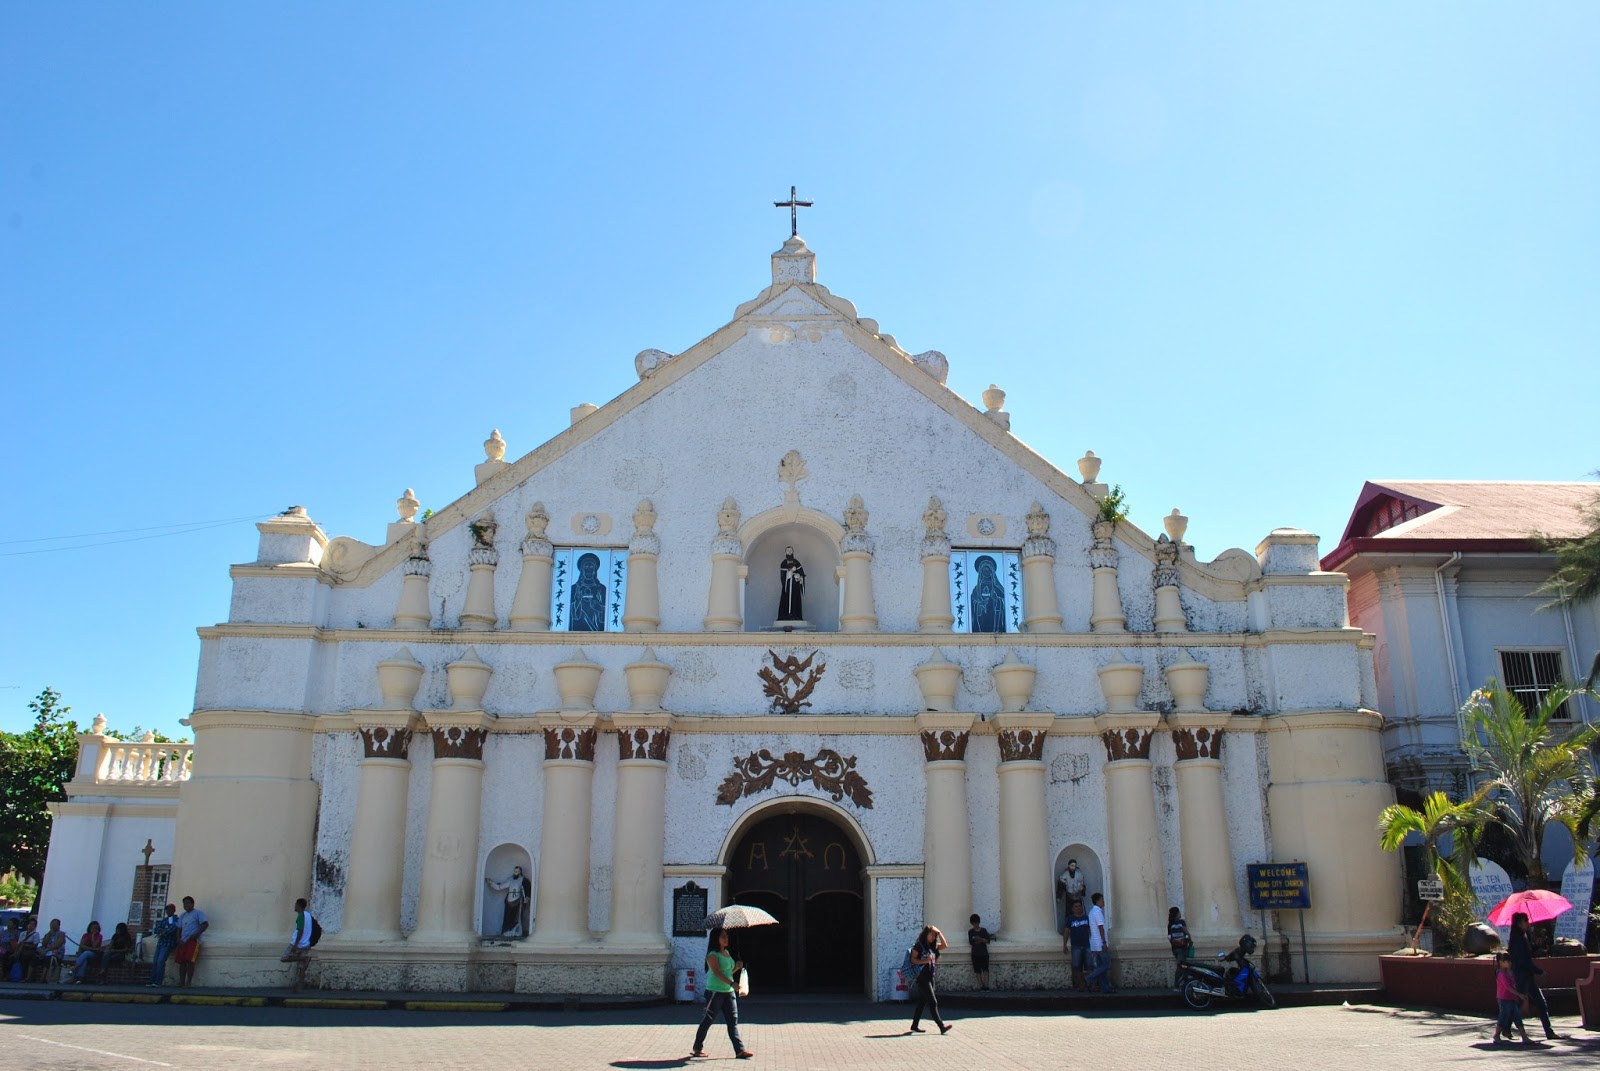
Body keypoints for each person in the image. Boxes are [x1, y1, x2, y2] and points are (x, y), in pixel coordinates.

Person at [691, 927, 752, 1059]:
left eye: (726, 936)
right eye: (723, 936)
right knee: (708, 1019)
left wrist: (737, 967)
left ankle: (740, 1050)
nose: (726, 938)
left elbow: (728, 972)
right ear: (716, 939)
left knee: (732, 1021)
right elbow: (718, 973)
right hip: (715, 992)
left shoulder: (727, 953)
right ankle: (697, 1048)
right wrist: (732, 983)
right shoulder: (712, 955)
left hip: (729, 992)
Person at [1507, 912, 1559, 1040]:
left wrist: (1536, 945)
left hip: (1527, 975)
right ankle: (1504, 1027)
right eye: (1526, 921)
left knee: (1539, 1003)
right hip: (1522, 975)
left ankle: (1549, 1031)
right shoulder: (1517, 939)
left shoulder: (1523, 936)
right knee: (1519, 1003)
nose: (1528, 923)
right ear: (1520, 923)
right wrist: (1539, 971)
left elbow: (1528, 953)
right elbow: (1524, 960)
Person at [907, 924, 952, 1035]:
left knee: (922, 1001)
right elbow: (913, 960)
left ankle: (914, 1025)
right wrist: (925, 961)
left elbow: (945, 945)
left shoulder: (933, 946)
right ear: (925, 934)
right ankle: (941, 1026)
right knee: (932, 1002)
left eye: (934, 935)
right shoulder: (919, 946)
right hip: (922, 977)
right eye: (931, 934)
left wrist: (939, 932)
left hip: (930, 976)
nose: (932, 937)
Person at [1492, 951, 1532, 1045]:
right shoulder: (1501, 974)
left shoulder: (1508, 973)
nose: (1510, 963)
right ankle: (1496, 1035)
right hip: (1504, 999)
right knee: (1503, 1016)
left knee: (1517, 1016)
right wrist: (1519, 994)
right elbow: (1508, 987)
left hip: (1511, 998)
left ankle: (1524, 1037)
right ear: (1501, 962)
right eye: (1507, 961)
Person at [486, 866, 531, 937]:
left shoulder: (523, 880)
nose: (515, 873)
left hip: (517, 902)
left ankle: (515, 932)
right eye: (514, 871)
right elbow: (500, 887)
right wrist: (492, 883)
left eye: (517, 871)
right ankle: (507, 932)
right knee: (508, 917)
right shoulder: (510, 880)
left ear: (520, 872)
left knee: (516, 917)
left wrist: (527, 898)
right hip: (509, 902)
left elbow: (527, 889)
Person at [173, 896, 208, 988]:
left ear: (192, 904)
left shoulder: (198, 913)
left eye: (188, 903)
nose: (186, 905)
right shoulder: (183, 915)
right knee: (182, 962)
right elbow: (179, 928)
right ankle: (181, 981)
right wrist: (178, 938)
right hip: (183, 941)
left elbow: (205, 924)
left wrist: (197, 934)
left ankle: (188, 982)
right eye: (184, 903)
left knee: (190, 962)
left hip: (193, 941)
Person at [570, 551, 608, 631]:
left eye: (591, 568)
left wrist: (599, 608)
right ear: (582, 570)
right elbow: (571, 614)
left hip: (597, 627)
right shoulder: (574, 588)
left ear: (595, 570)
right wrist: (577, 602)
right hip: (577, 628)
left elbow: (607, 613)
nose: (588, 570)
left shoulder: (601, 589)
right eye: (586, 567)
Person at [1084, 893, 1114, 993]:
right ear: (1097, 901)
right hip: (1100, 943)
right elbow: (1100, 927)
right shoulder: (1097, 912)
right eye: (1102, 899)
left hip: (1094, 943)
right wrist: (1104, 942)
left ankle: (1105, 988)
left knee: (1101, 966)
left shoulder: (1092, 912)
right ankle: (1090, 977)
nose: (1103, 901)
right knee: (1106, 965)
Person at [970, 554, 1006, 632]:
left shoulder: (996, 587)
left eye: (988, 570)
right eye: (984, 570)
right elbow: (973, 600)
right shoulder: (977, 589)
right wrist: (979, 603)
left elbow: (1004, 599)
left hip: (994, 614)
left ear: (991, 571)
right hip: (981, 614)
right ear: (980, 572)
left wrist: (996, 599)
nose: (986, 572)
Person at [146, 903, 179, 986]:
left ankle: (158, 981)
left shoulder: (175, 919)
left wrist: (163, 931)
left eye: (170, 909)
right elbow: (156, 929)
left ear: (174, 910)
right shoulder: (164, 920)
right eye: (167, 910)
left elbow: (171, 929)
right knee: (155, 961)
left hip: (168, 943)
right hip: (160, 943)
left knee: (161, 961)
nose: (168, 911)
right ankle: (153, 980)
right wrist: (163, 930)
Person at [1066, 900, 1091, 991]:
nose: (1078, 908)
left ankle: (1090, 984)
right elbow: (1066, 931)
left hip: (1087, 945)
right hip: (1075, 945)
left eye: (1079, 906)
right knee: (1077, 966)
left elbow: (1090, 930)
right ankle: (1081, 985)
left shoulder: (1086, 918)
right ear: (1072, 909)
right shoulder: (1070, 919)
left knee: (1089, 965)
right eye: (1076, 906)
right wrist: (1064, 945)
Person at [967, 913, 995, 990]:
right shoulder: (971, 932)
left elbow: (988, 940)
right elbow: (972, 942)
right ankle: (981, 986)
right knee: (977, 971)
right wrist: (982, 940)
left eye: (976, 923)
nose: (975, 925)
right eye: (974, 923)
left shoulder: (983, 930)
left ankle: (986, 986)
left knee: (985, 970)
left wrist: (979, 939)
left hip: (984, 953)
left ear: (979, 922)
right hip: (975, 953)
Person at [1167, 906, 1192, 990]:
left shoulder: (1170, 924)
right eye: (1179, 912)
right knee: (1181, 966)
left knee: (1183, 965)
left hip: (1175, 948)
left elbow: (1169, 937)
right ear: (1177, 914)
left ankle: (1186, 983)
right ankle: (1176, 985)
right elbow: (1187, 933)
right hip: (1182, 947)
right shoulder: (1181, 922)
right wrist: (1190, 941)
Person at [777, 547, 805, 621]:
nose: (789, 552)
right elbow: (783, 576)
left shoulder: (797, 562)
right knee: (785, 600)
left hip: (795, 587)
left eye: (791, 550)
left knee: (795, 600)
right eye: (787, 551)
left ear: (793, 552)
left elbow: (802, 573)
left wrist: (799, 577)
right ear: (785, 553)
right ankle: (785, 615)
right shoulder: (783, 563)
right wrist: (790, 573)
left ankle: (796, 615)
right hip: (787, 588)